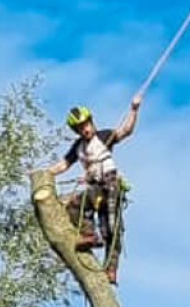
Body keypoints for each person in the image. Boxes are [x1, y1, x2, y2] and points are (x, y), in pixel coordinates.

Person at [47, 96, 141, 282]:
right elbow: (64, 164)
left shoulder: (104, 137)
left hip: (109, 184)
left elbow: (126, 131)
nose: (85, 129)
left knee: (111, 229)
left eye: (86, 124)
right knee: (75, 205)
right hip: (95, 186)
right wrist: (45, 173)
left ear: (91, 122)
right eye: (80, 127)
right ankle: (89, 234)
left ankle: (111, 269)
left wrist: (134, 109)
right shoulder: (79, 147)